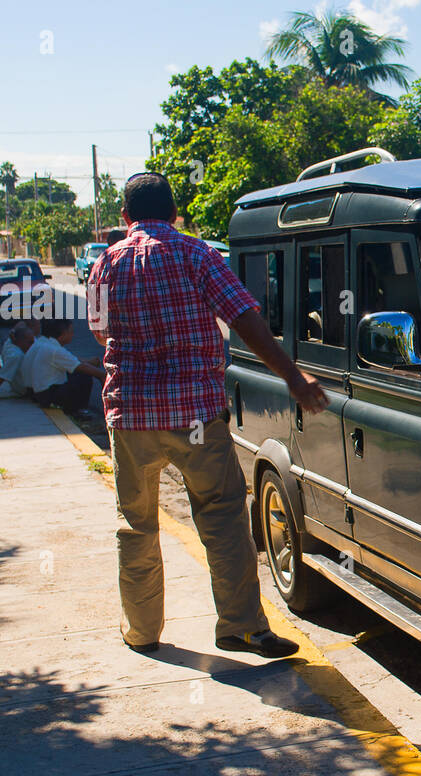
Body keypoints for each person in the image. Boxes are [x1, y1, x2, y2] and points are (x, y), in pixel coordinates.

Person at [90, 171, 328, 658]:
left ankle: (142, 631)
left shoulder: (105, 264)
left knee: (136, 524)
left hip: (130, 416)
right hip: (196, 415)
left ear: (125, 217)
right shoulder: (198, 255)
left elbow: (100, 332)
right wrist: (292, 376)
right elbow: (244, 319)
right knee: (222, 519)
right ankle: (241, 628)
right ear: (175, 214)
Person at [24, 316, 103, 414]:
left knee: (77, 372)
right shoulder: (54, 350)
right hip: (45, 395)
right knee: (84, 376)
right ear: (63, 334)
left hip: (35, 390)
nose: (73, 335)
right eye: (71, 332)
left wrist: (89, 363)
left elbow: (70, 360)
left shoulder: (46, 343)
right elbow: (80, 367)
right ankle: (78, 410)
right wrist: (103, 376)